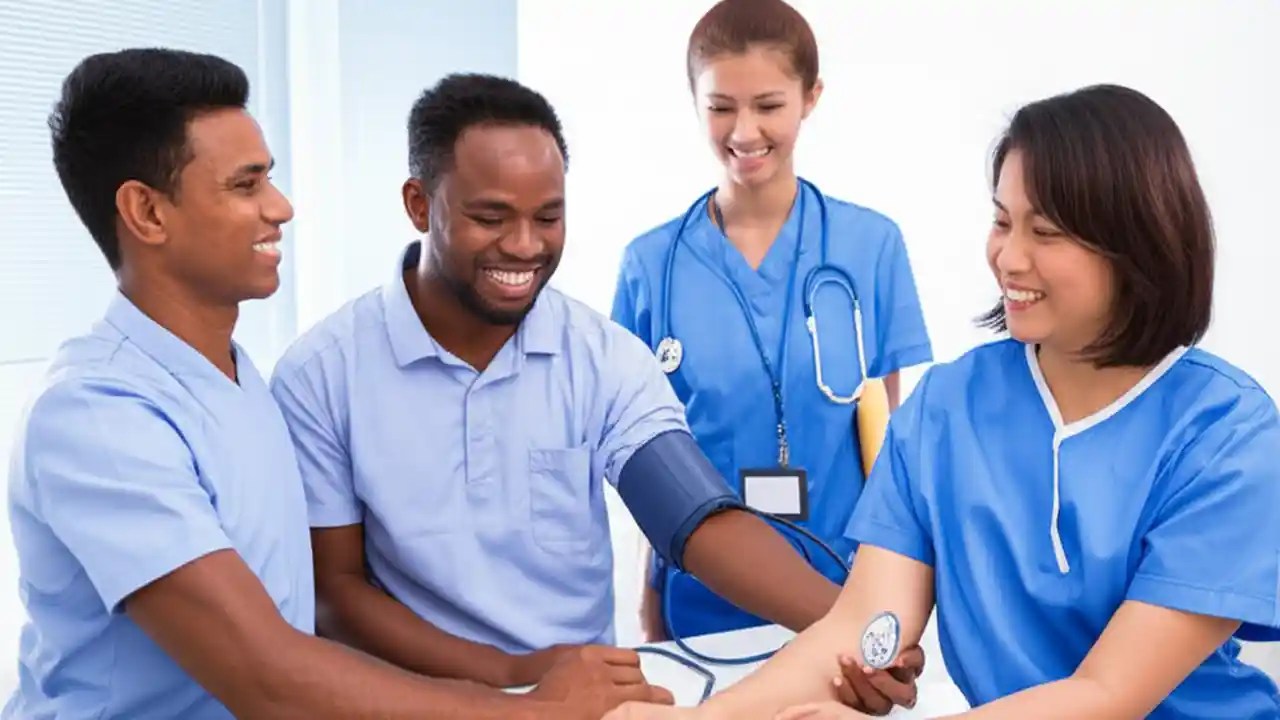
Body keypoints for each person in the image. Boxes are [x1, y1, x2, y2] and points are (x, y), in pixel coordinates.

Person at [4, 48, 670, 720]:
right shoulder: (98, 416)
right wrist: (536, 708)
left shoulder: (237, 384)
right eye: (246, 185)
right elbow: (267, 675)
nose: (281, 207)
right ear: (147, 214)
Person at [603, 84, 1280, 720]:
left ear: (1137, 243)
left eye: (1044, 233)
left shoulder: (1226, 435)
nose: (1008, 258)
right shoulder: (948, 408)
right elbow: (863, 620)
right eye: (1001, 221)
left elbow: (1107, 695)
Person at [268, 71, 859, 697]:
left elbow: (694, 518)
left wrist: (853, 629)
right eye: (490, 217)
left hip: (584, 699)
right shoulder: (322, 374)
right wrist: (515, 677)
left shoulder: (602, 358)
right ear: (419, 204)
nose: (524, 246)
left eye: (548, 216)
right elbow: (334, 596)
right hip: (416, 700)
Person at [611, 0, 930, 707]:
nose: (744, 131)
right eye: (720, 106)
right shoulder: (650, 264)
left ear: (811, 99)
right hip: (697, 611)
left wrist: (882, 614)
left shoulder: (869, 247)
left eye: (768, 105)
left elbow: (889, 454)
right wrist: (646, 601)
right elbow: (639, 455)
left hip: (839, 606)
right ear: (693, 102)